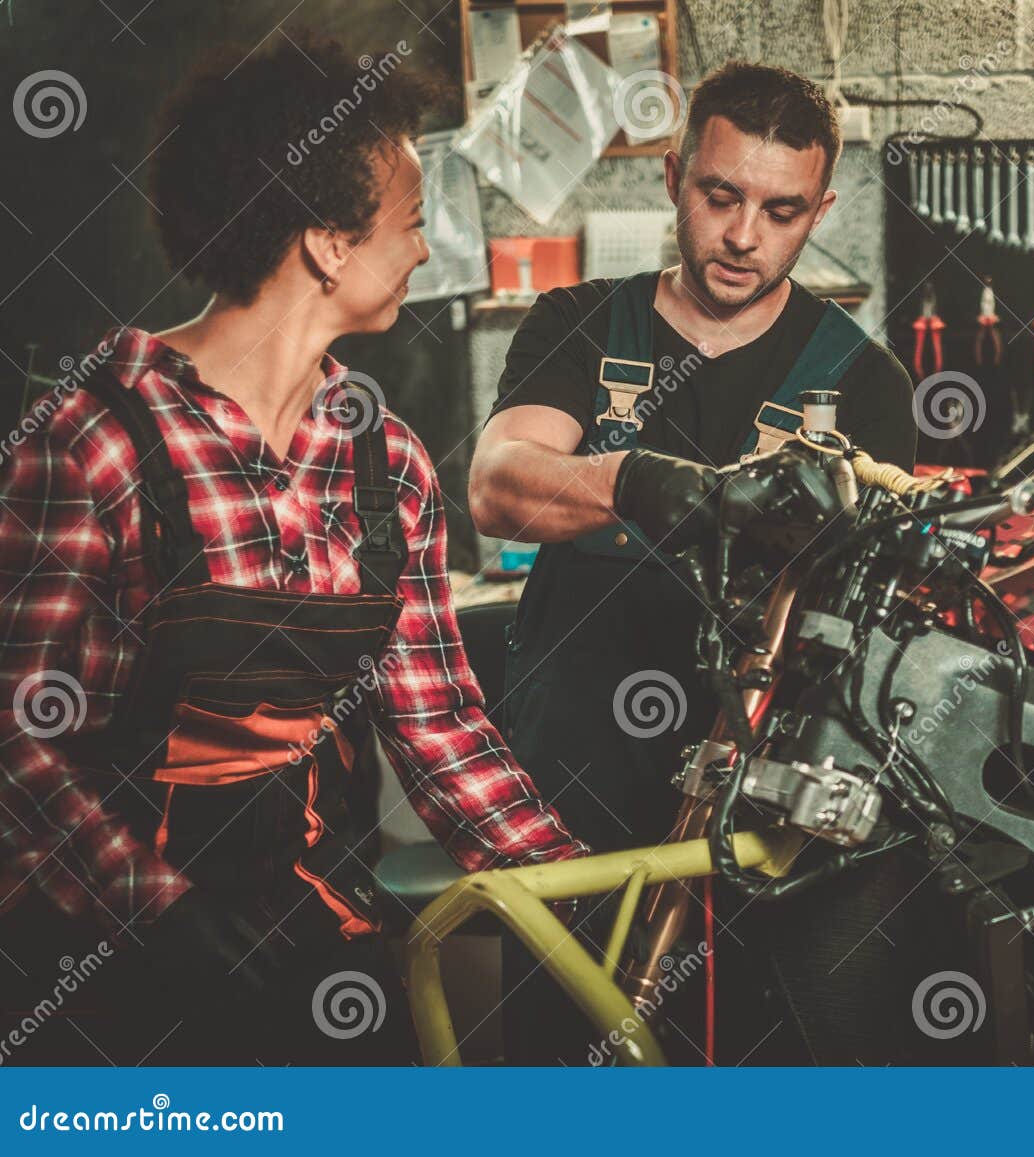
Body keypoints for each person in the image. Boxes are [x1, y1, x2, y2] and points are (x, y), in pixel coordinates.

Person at [0, 34, 583, 1066]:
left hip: (320, 947)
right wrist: (157, 909)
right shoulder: (93, 436)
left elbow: (440, 728)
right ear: (325, 241)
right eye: (409, 223)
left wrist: (581, 891)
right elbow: (19, 734)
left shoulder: (386, 461)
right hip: (101, 972)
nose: (422, 248)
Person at [470, 61, 917, 856]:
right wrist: (642, 482)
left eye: (783, 211)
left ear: (820, 212)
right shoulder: (582, 324)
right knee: (553, 978)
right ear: (675, 177)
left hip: (751, 794)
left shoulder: (865, 383)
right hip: (568, 775)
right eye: (721, 197)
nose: (745, 237)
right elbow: (499, 486)